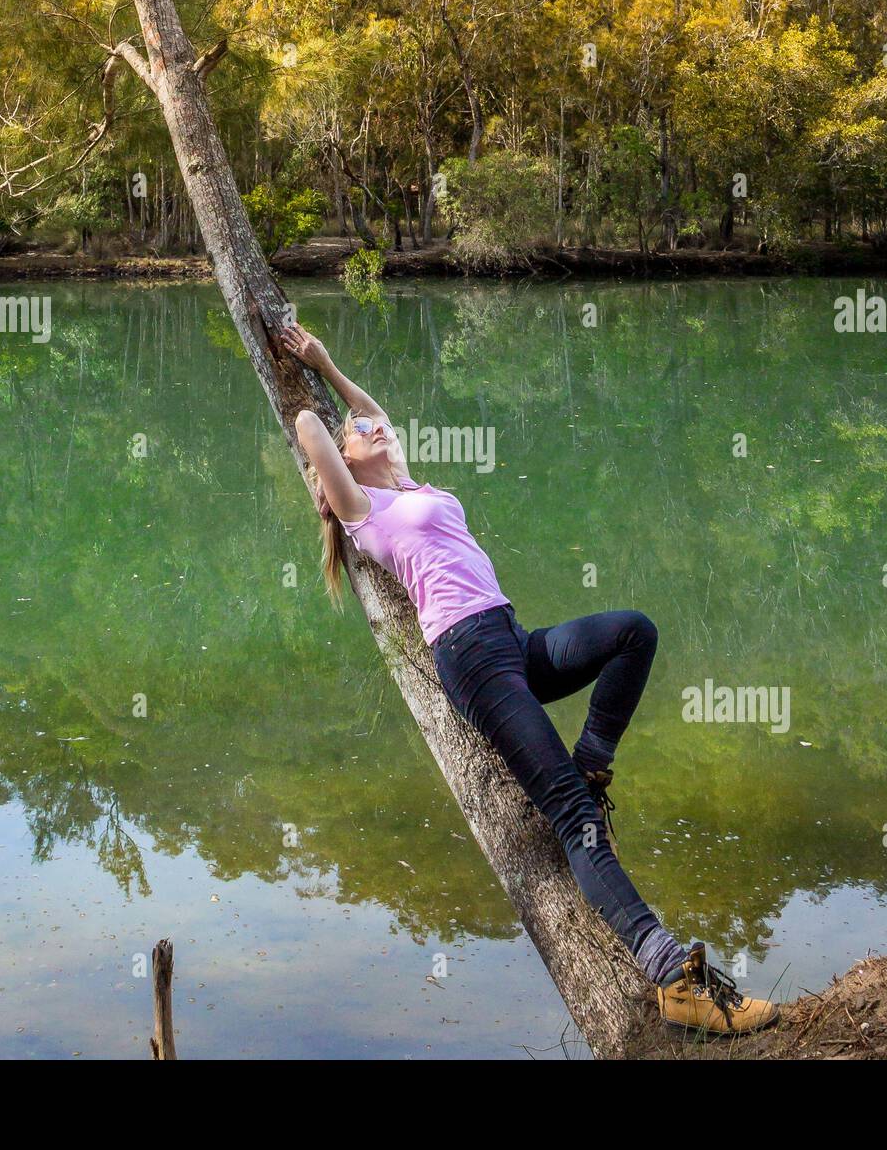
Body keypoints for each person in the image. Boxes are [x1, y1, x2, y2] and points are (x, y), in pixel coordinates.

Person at [282, 320, 778, 1036]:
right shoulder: (364, 512)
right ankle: (673, 979)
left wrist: (330, 365)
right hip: (471, 658)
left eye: (373, 427)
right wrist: (313, 390)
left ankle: (593, 762)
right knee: (574, 820)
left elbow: (377, 415)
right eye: (358, 434)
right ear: (340, 476)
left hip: (510, 637)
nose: (373, 427)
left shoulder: (409, 482)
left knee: (634, 631)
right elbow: (304, 424)